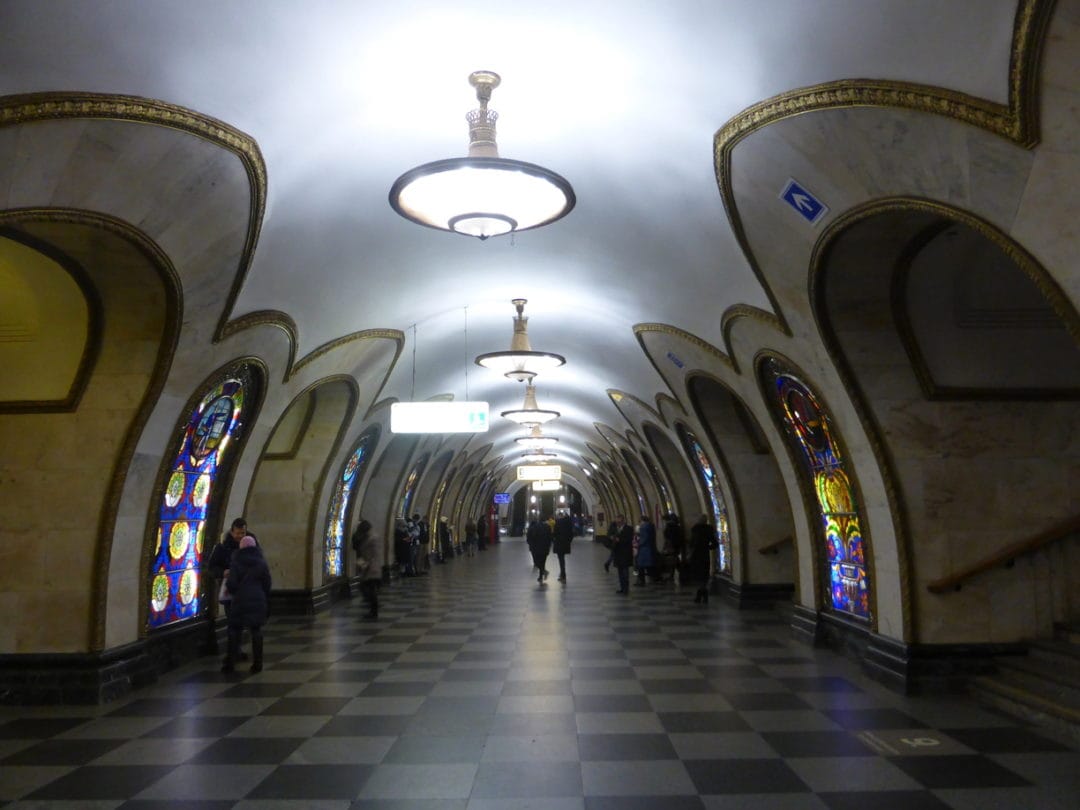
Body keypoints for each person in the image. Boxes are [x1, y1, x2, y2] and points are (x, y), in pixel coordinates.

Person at [207, 517, 256, 662]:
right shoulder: (222, 547)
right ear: (232, 531)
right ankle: (233, 651)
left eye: (243, 533)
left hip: (247, 590)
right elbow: (211, 567)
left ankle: (238, 649)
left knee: (242, 622)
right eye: (238, 533)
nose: (240, 536)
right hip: (230, 590)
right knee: (233, 621)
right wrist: (222, 572)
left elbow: (259, 562)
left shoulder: (251, 544)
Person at [221, 535, 271, 674]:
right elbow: (267, 583)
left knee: (234, 630)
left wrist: (234, 590)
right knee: (256, 631)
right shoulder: (261, 562)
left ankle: (230, 663)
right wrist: (263, 595)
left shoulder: (236, 562)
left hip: (239, 601)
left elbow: (231, 584)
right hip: (258, 599)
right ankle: (257, 664)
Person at [352, 519, 384, 618]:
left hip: (371, 567)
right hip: (368, 566)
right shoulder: (368, 538)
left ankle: (374, 610)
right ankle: (373, 609)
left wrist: (367, 563)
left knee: (369, 589)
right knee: (368, 588)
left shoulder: (372, 539)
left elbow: (374, 554)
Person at [687, 513, 718, 604]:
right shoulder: (709, 529)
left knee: (698, 575)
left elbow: (692, 543)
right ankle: (703, 595)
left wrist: (690, 553)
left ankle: (700, 595)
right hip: (705, 555)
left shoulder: (695, 529)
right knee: (704, 575)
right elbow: (715, 544)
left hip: (696, 555)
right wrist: (707, 547)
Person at [610, 515, 635, 594]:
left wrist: (619, 540)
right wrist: (612, 539)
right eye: (617, 522)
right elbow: (609, 536)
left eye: (619, 522)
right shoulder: (615, 529)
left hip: (625, 553)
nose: (618, 524)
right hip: (618, 553)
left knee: (625, 572)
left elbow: (629, 540)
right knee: (620, 572)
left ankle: (626, 589)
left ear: (623, 521)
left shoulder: (629, 529)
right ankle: (622, 587)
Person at [526, 515, 553, 584]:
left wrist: (531, 544)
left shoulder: (534, 527)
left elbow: (531, 537)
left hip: (536, 547)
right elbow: (550, 538)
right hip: (545, 547)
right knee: (543, 562)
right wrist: (549, 546)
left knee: (537, 562)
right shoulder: (548, 527)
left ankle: (543, 573)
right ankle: (541, 576)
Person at [635, 513, 658, 585]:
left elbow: (644, 538)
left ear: (642, 520)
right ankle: (655, 578)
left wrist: (638, 544)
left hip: (644, 550)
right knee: (650, 565)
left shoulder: (643, 527)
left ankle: (641, 581)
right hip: (651, 548)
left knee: (640, 565)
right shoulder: (651, 526)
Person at [552, 511, 574, 582]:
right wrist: (568, 541)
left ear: (559, 516)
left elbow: (554, 533)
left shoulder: (558, 522)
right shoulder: (568, 523)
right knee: (562, 559)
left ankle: (563, 574)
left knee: (561, 559)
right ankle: (562, 573)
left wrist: (554, 540)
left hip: (559, 543)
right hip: (566, 543)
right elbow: (571, 534)